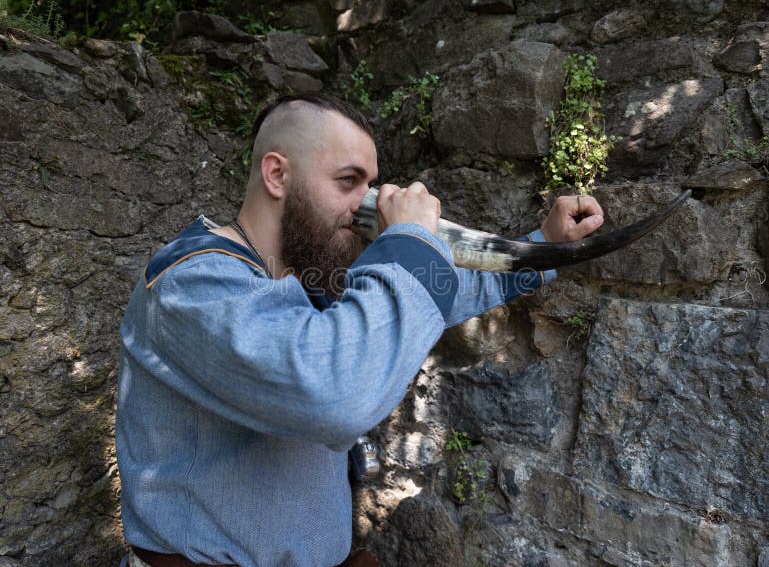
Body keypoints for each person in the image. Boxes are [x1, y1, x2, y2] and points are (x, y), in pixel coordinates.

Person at [115, 94, 604, 567]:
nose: (367, 203)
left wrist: (545, 246)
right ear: (277, 174)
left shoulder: (305, 275)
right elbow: (334, 396)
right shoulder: (191, 283)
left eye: (370, 184)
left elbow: (429, 293)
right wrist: (408, 242)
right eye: (348, 181)